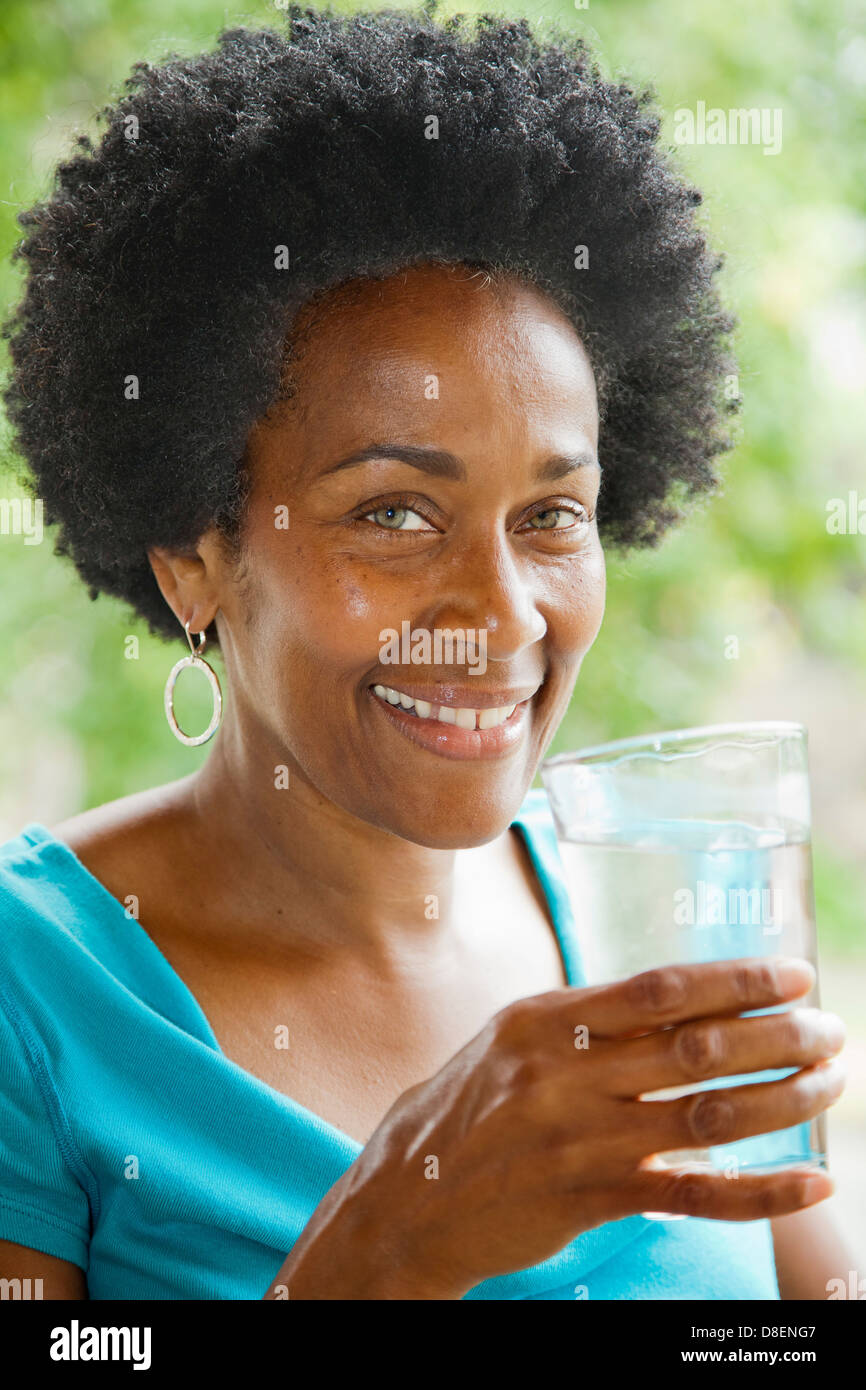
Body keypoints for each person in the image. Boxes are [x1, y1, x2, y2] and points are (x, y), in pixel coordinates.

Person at [0, 4, 851, 1300]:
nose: (503, 614)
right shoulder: (35, 992)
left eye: (551, 515)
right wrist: (380, 1255)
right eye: (394, 514)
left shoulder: (646, 908)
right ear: (191, 557)